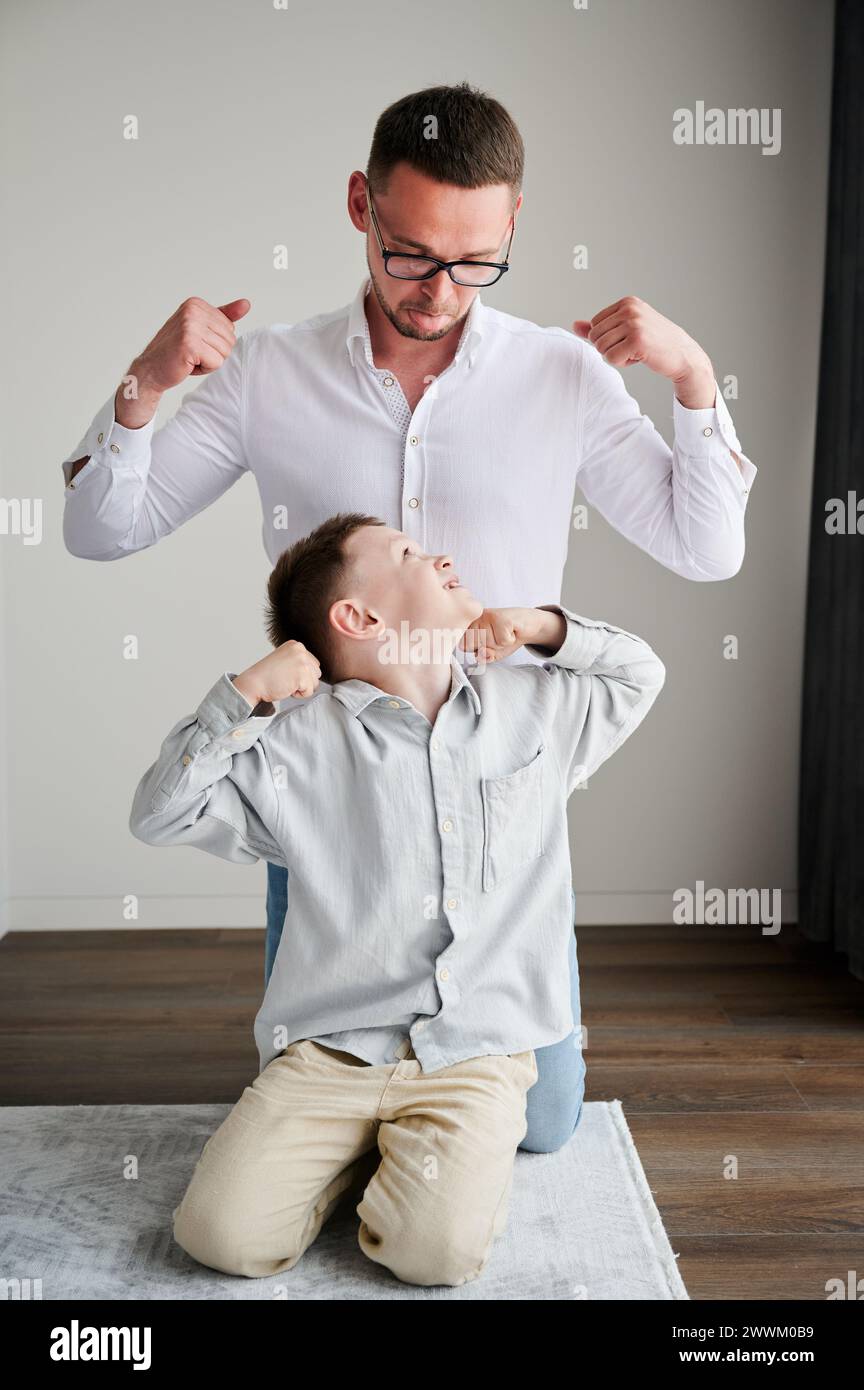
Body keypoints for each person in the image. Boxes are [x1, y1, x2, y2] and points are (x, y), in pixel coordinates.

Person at [60, 82, 756, 1153]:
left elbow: (707, 550)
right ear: (361, 206)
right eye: (413, 254)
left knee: (545, 1127)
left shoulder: (562, 374)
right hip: (334, 801)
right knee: (323, 1116)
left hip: (503, 807)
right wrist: (143, 385)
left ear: (513, 225)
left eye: (476, 262)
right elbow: (104, 529)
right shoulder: (271, 372)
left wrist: (696, 381)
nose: (440, 289)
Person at [128, 511, 666, 1286]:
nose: (443, 554)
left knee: (433, 1254)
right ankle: (351, 1155)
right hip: (331, 1049)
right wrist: (243, 694)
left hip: (477, 1053)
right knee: (218, 1236)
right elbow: (159, 812)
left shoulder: (535, 707)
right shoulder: (291, 741)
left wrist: (542, 625)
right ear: (359, 617)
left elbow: (639, 672)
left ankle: (400, 1158)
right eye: (410, 553)